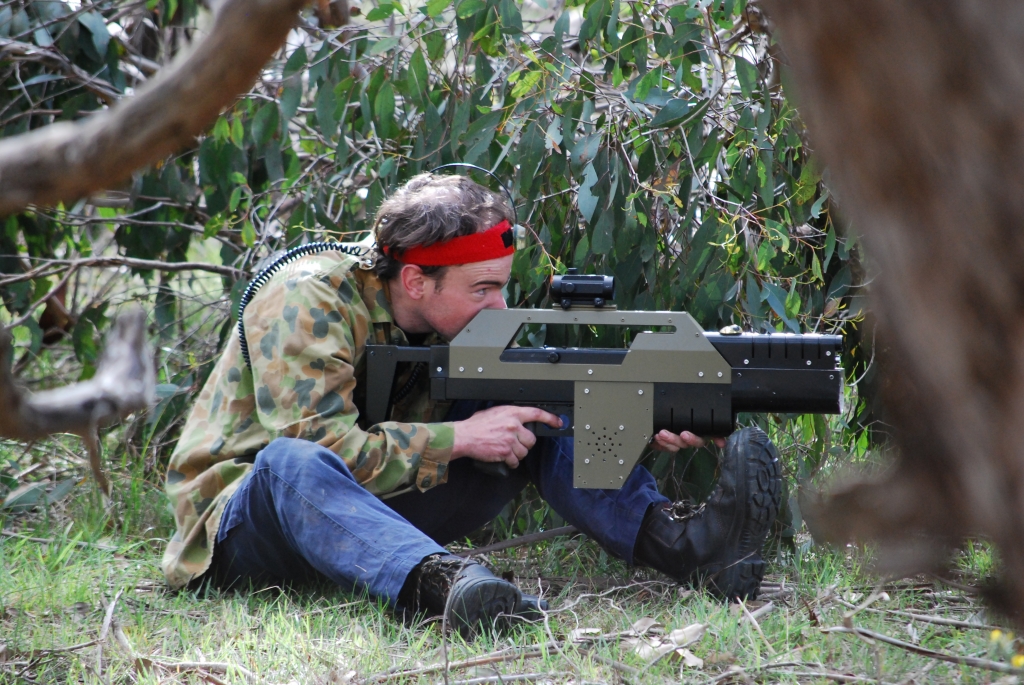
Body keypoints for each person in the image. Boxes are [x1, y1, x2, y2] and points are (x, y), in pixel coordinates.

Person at [162, 173, 782, 635]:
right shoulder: (309, 301)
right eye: (482, 289)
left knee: (530, 395)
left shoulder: (451, 320)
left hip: (378, 524)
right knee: (291, 461)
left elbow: (551, 410)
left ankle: (691, 549)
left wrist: (642, 414)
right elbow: (327, 453)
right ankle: (445, 584)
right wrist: (461, 439)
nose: (500, 309)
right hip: (247, 531)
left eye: (503, 287)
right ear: (415, 281)